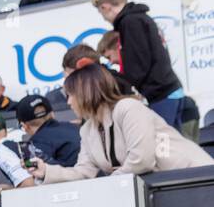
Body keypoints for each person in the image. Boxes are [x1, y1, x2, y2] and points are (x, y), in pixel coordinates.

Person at [31, 65, 212, 183]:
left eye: (70, 95)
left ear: (86, 92)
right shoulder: (87, 129)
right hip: (166, 186)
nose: (68, 102)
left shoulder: (128, 108)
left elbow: (142, 160)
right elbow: (85, 171)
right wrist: (47, 171)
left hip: (194, 177)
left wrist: (109, 182)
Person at [92, 0, 186, 132]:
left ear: (105, 6)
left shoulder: (130, 22)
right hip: (168, 91)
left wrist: (113, 80)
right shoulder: (139, 19)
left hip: (162, 95)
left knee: (165, 148)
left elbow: (138, 66)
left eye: (100, 12)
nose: (103, 18)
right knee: (174, 147)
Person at [14, 94, 79, 167]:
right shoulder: (78, 128)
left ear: (24, 125)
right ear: (52, 114)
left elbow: (30, 173)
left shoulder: (30, 147)